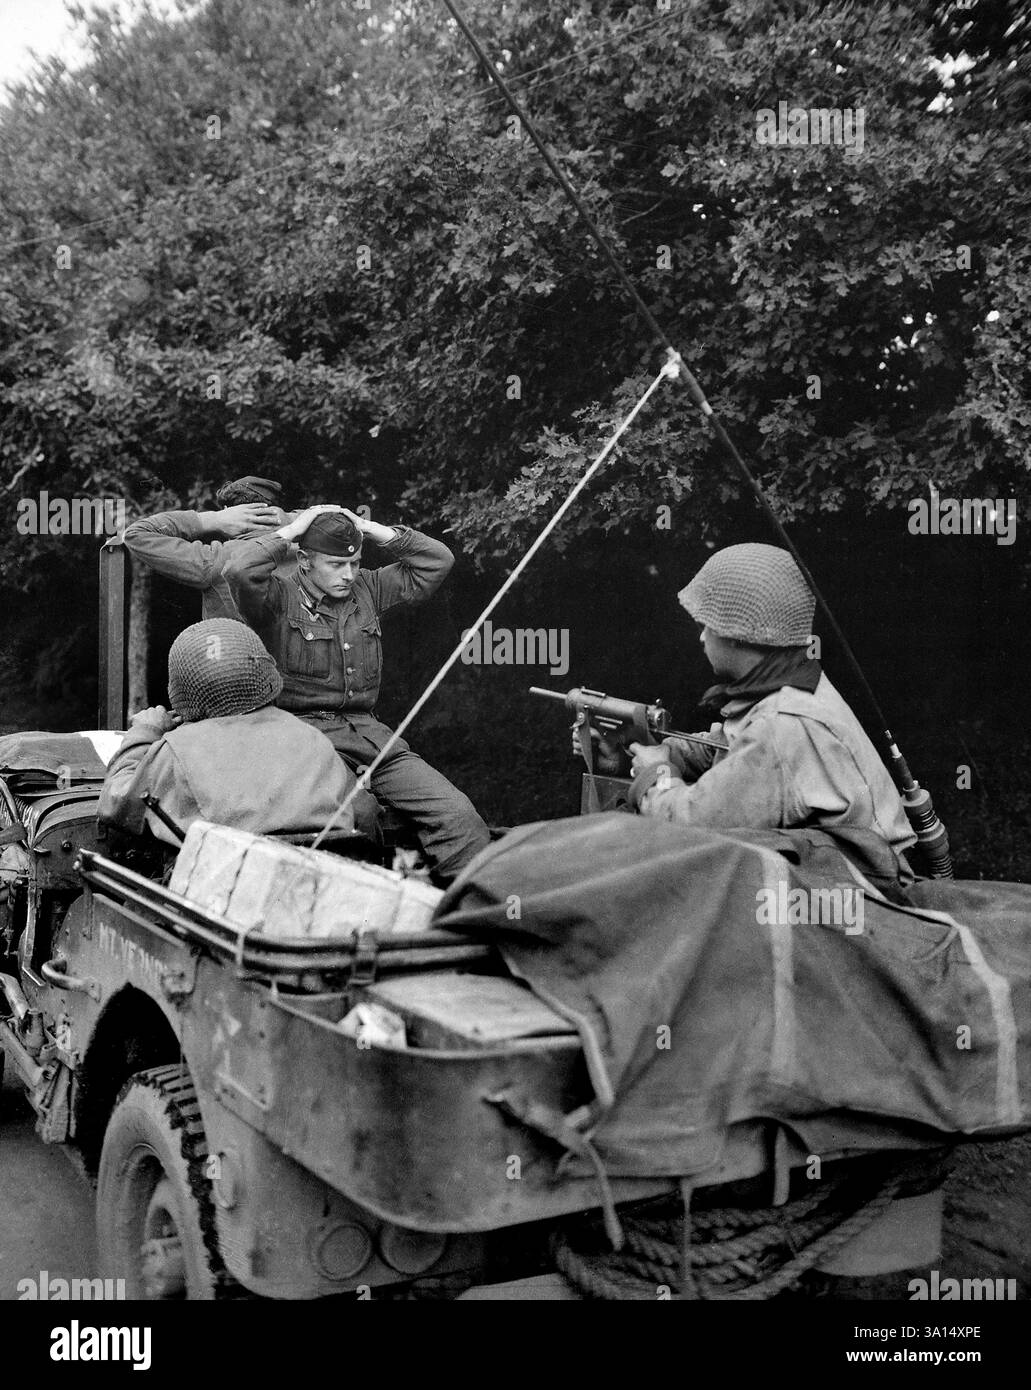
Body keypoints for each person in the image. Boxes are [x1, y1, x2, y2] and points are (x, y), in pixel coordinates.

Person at [223, 504, 491, 882]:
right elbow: (238, 568)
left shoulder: (368, 588)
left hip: (369, 736)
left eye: (354, 563)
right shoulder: (277, 597)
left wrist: (366, 526)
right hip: (303, 740)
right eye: (335, 565)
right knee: (358, 820)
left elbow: (437, 560)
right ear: (303, 559)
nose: (348, 575)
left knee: (458, 816)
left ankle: (465, 922)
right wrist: (295, 527)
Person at [626, 543, 916, 858]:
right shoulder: (788, 686)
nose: (701, 637)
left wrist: (656, 776)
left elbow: (691, 825)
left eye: (705, 625)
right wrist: (651, 748)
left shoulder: (780, 724)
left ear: (736, 632)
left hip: (862, 892)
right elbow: (725, 749)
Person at [99, 619, 358, 846]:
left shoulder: (178, 749)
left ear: (183, 691)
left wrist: (145, 731)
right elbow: (364, 813)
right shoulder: (314, 738)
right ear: (264, 674)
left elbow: (115, 803)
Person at [122, 475, 293, 620]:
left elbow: (136, 534)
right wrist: (293, 519)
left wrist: (214, 519)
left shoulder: (217, 560)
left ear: (229, 512)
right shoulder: (310, 552)